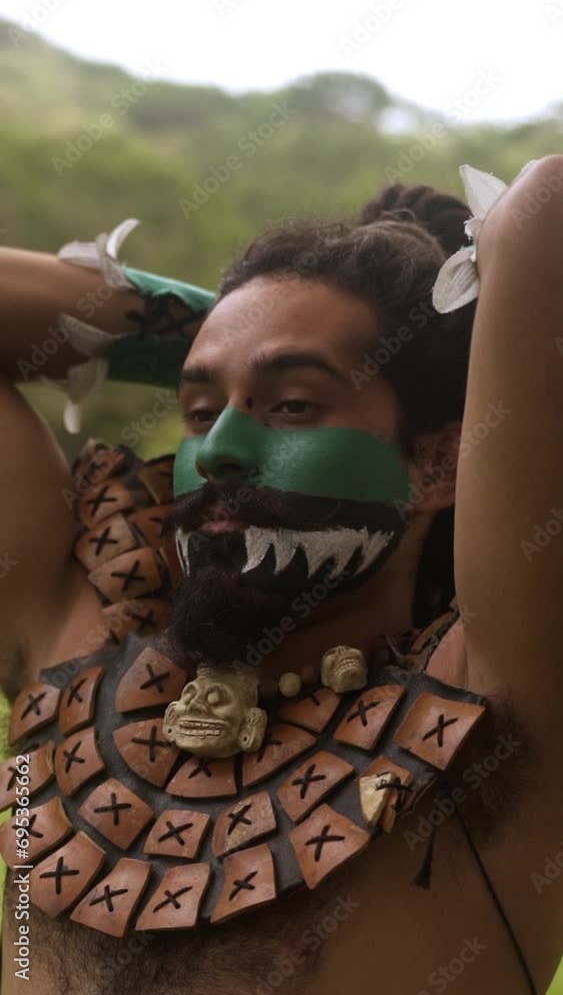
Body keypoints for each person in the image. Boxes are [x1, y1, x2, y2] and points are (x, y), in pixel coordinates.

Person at [0, 156, 561, 995]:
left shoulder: (499, 703)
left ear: (439, 463)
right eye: (198, 412)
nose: (218, 447)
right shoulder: (70, 651)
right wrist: (194, 325)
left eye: (293, 404)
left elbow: (541, 213)